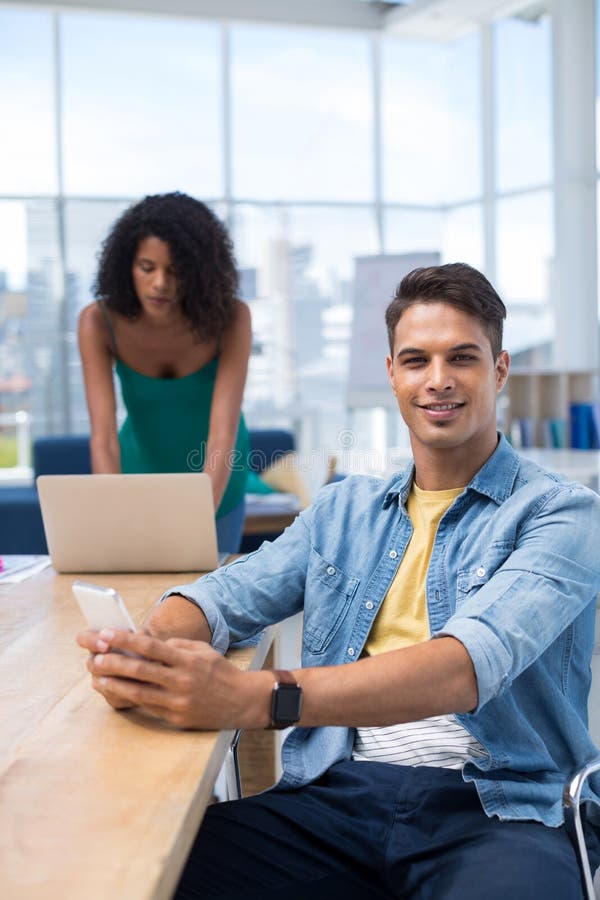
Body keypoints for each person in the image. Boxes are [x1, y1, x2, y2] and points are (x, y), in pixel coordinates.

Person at [78, 263, 600, 899]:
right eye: (416, 360)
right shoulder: (342, 510)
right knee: (147, 875)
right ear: (392, 375)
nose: (438, 380)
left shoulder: (562, 512)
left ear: (498, 370)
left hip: (502, 809)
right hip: (339, 792)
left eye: (462, 357)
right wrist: (150, 650)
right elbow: (228, 595)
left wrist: (262, 698)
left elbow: (465, 667)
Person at [78, 192, 251, 552]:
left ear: (200, 273)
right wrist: (111, 514)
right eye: (147, 267)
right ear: (127, 265)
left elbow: (222, 436)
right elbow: (104, 439)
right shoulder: (97, 322)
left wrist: (199, 520)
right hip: (138, 478)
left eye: (175, 271)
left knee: (204, 601)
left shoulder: (232, 318)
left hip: (218, 481)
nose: (160, 283)